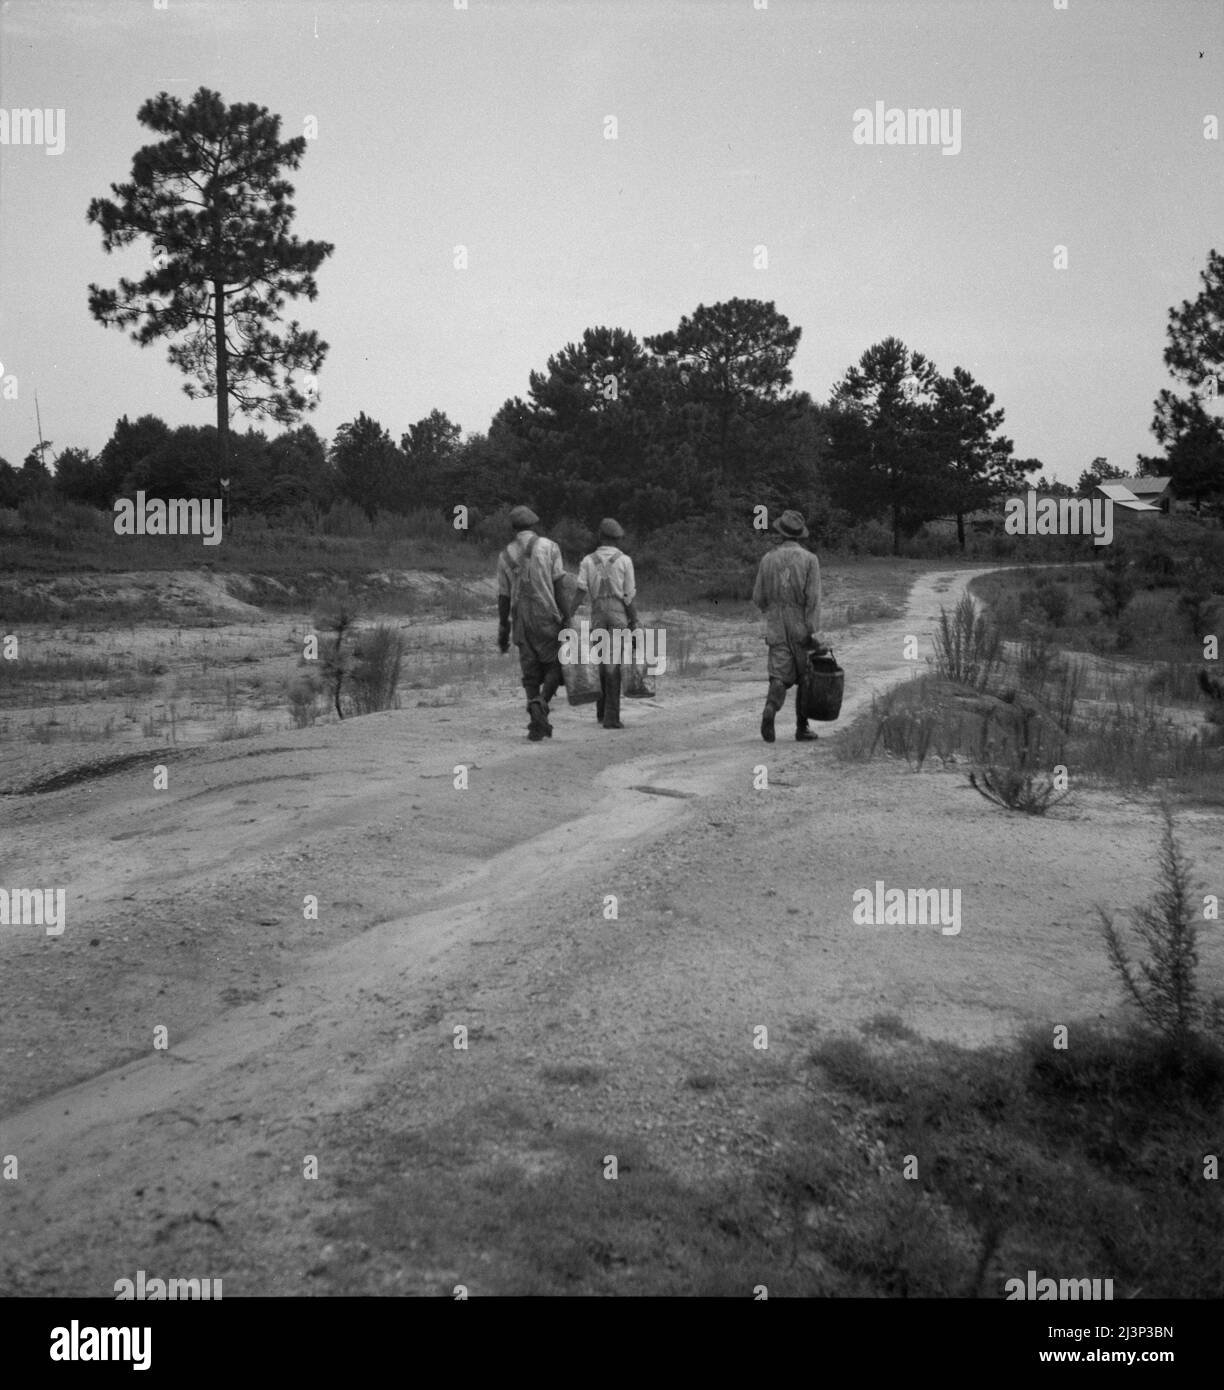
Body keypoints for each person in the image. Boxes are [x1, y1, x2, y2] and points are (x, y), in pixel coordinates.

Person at [751, 508, 828, 743]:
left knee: (779, 675)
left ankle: (770, 709)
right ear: (799, 535)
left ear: (780, 533)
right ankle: (801, 727)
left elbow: (758, 597)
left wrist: (772, 609)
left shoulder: (768, 559)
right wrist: (812, 630)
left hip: (775, 622)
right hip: (800, 624)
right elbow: (813, 597)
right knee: (806, 676)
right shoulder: (809, 560)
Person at [496, 506, 570, 741]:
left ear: (513, 528)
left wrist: (503, 628)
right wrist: (567, 618)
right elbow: (559, 584)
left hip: (520, 618)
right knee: (555, 665)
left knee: (530, 672)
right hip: (547, 614)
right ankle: (541, 702)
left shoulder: (505, 555)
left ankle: (536, 723)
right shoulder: (549, 547)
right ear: (534, 524)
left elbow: (503, 596)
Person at [575, 518, 641, 730]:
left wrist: (568, 613)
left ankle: (601, 712)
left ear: (600, 537)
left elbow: (580, 590)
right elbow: (628, 595)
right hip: (618, 614)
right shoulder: (624, 561)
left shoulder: (587, 560)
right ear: (616, 539)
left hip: (597, 614)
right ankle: (612, 717)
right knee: (614, 664)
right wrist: (634, 620)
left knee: (601, 662)